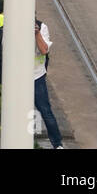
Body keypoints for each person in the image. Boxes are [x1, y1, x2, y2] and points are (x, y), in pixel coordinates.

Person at [34, 18, 63, 148]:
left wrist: (36, 33)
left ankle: (57, 144)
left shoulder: (42, 27)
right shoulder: (14, 26)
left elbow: (44, 50)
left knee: (45, 110)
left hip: (36, 76)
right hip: (18, 77)